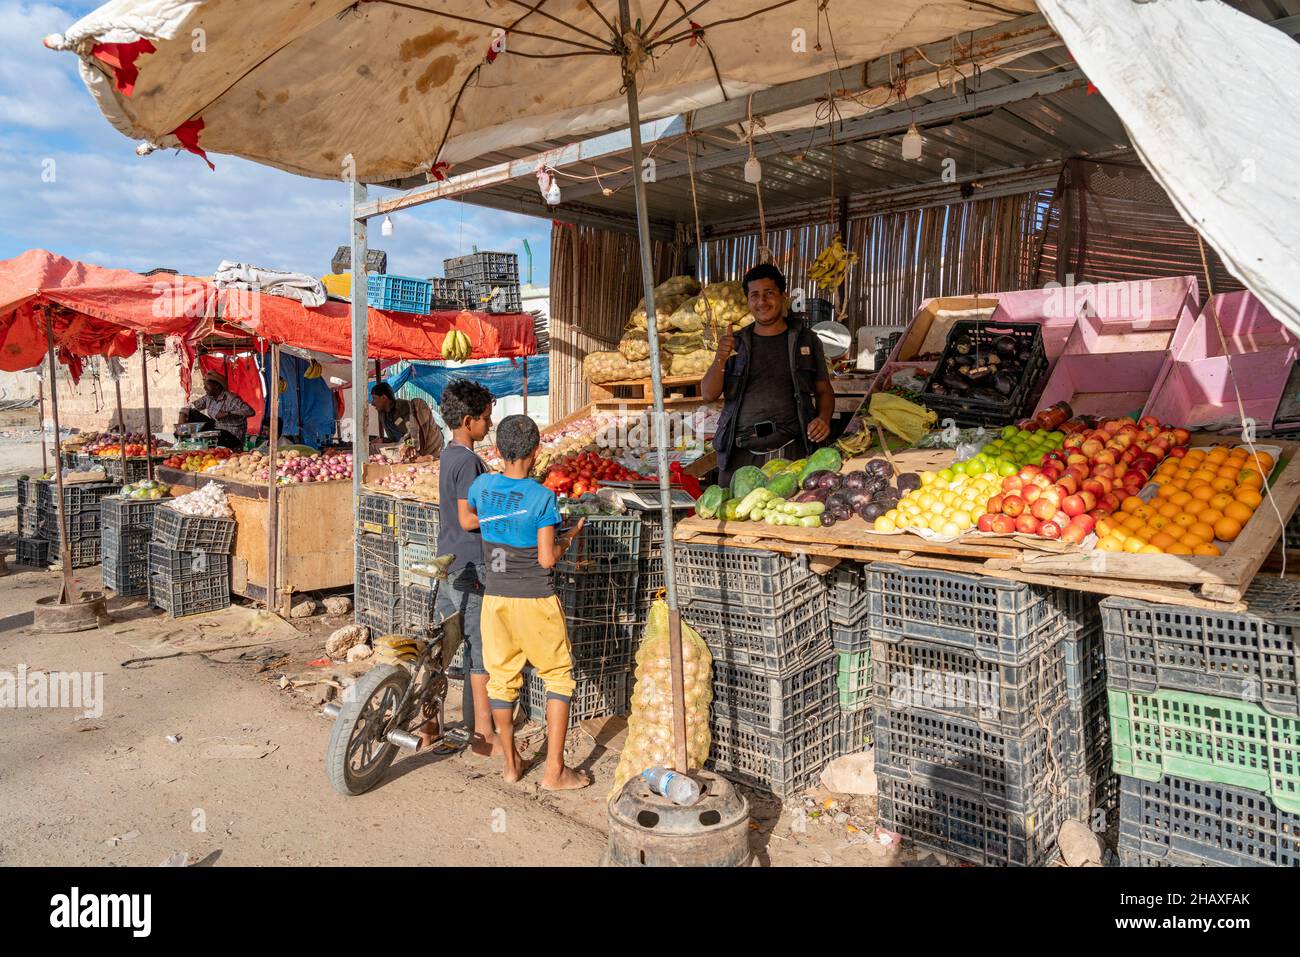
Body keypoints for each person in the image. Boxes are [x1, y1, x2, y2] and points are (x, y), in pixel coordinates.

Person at [466, 415, 590, 790]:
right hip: (535, 599)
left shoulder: (482, 485)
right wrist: (569, 538)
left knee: (501, 681)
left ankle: (510, 763)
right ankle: (554, 770)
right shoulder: (542, 496)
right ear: (537, 452)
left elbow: (473, 516)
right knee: (558, 678)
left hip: (496, 599)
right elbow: (547, 558)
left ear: (499, 451)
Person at [701, 262, 835, 488]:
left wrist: (824, 419)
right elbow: (707, 394)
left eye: (769, 293)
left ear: (782, 296)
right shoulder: (736, 342)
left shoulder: (807, 340)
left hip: (793, 449)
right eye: (754, 295)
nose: (761, 302)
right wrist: (720, 358)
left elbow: (824, 391)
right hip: (741, 453)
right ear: (748, 301)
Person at [435, 378, 497, 756]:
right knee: (478, 645)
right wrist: (505, 509)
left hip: (448, 557)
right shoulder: (469, 461)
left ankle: (429, 725)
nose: (490, 425)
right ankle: (483, 734)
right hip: (469, 563)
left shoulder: (448, 454)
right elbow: (469, 518)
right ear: (469, 420)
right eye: (487, 419)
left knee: (447, 644)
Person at [179, 370, 256, 451]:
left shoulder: (231, 399)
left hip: (232, 435)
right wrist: (182, 419)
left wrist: (228, 413)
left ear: (217, 386)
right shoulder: (208, 398)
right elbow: (188, 407)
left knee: (217, 433)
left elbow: (250, 411)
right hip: (217, 429)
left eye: (207, 385)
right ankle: (181, 442)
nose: (204, 388)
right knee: (192, 413)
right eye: (204, 385)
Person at [370, 382, 444, 459]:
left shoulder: (404, 408)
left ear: (384, 397)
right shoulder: (383, 414)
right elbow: (395, 439)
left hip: (423, 448)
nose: (372, 403)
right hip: (403, 446)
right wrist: (383, 440)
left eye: (374, 398)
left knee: (372, 449)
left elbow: (414, 434)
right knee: (373, 448)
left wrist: (408, 446)